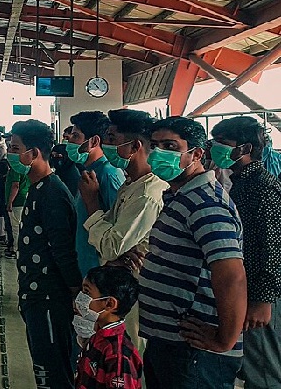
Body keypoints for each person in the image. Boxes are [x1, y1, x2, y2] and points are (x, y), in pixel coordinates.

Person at [139, 117, 246, 389]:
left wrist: (224, 340)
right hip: (170, 342)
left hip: (193, 352)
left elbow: (231, 275)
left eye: (170, 146)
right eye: (155, 145)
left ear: (196, 154)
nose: (159, 153)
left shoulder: (206, 203)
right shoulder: (181, 196)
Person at [80, 109, 166, 348]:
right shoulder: (131, 184)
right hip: (117, 280)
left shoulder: (147, 194)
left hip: (133, 287)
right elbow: (113, 239)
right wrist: (115, 251)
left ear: (134, 146)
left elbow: (110, 245)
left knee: (127, 350)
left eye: (112, 139)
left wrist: (92, 203)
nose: (106, 145)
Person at [210, 116, 281, 389]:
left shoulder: (262, 187)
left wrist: (262, 301)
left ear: (246, 148)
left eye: (222, 143)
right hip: (247, 288)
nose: (216, 148)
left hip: (260, 292)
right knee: (251, 362)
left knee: (263, 365)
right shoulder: (240, 182)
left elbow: (271, 247)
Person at [10, 119, 81, 389]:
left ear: (34, 153)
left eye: (16, 149)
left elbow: (62, 249)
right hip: (36, 294)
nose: (11, 154)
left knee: (53, 372)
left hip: (50, 298)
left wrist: (75, 291)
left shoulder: (53, 193)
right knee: (44, 367)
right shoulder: (39, 188)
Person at [68, 112, 125, 276]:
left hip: (99, 268)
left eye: (76, 136)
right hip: (85, 264)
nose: (70, 141)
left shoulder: (108, 174)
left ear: (94, 141)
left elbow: (117, 225)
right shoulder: (89, 172)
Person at [74, 266, 144, 389]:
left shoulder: (118, 355)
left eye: (87, 292)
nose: (79, 298)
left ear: (110, 303)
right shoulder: (96, 336)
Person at [5, 163, 29, 258]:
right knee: (20, 226)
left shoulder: (16, 169)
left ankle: (16, 249)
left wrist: (10, 201)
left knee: (15, 227)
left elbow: (15, 185)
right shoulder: (25, 168)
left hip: (16, 202)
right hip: (23, 199)